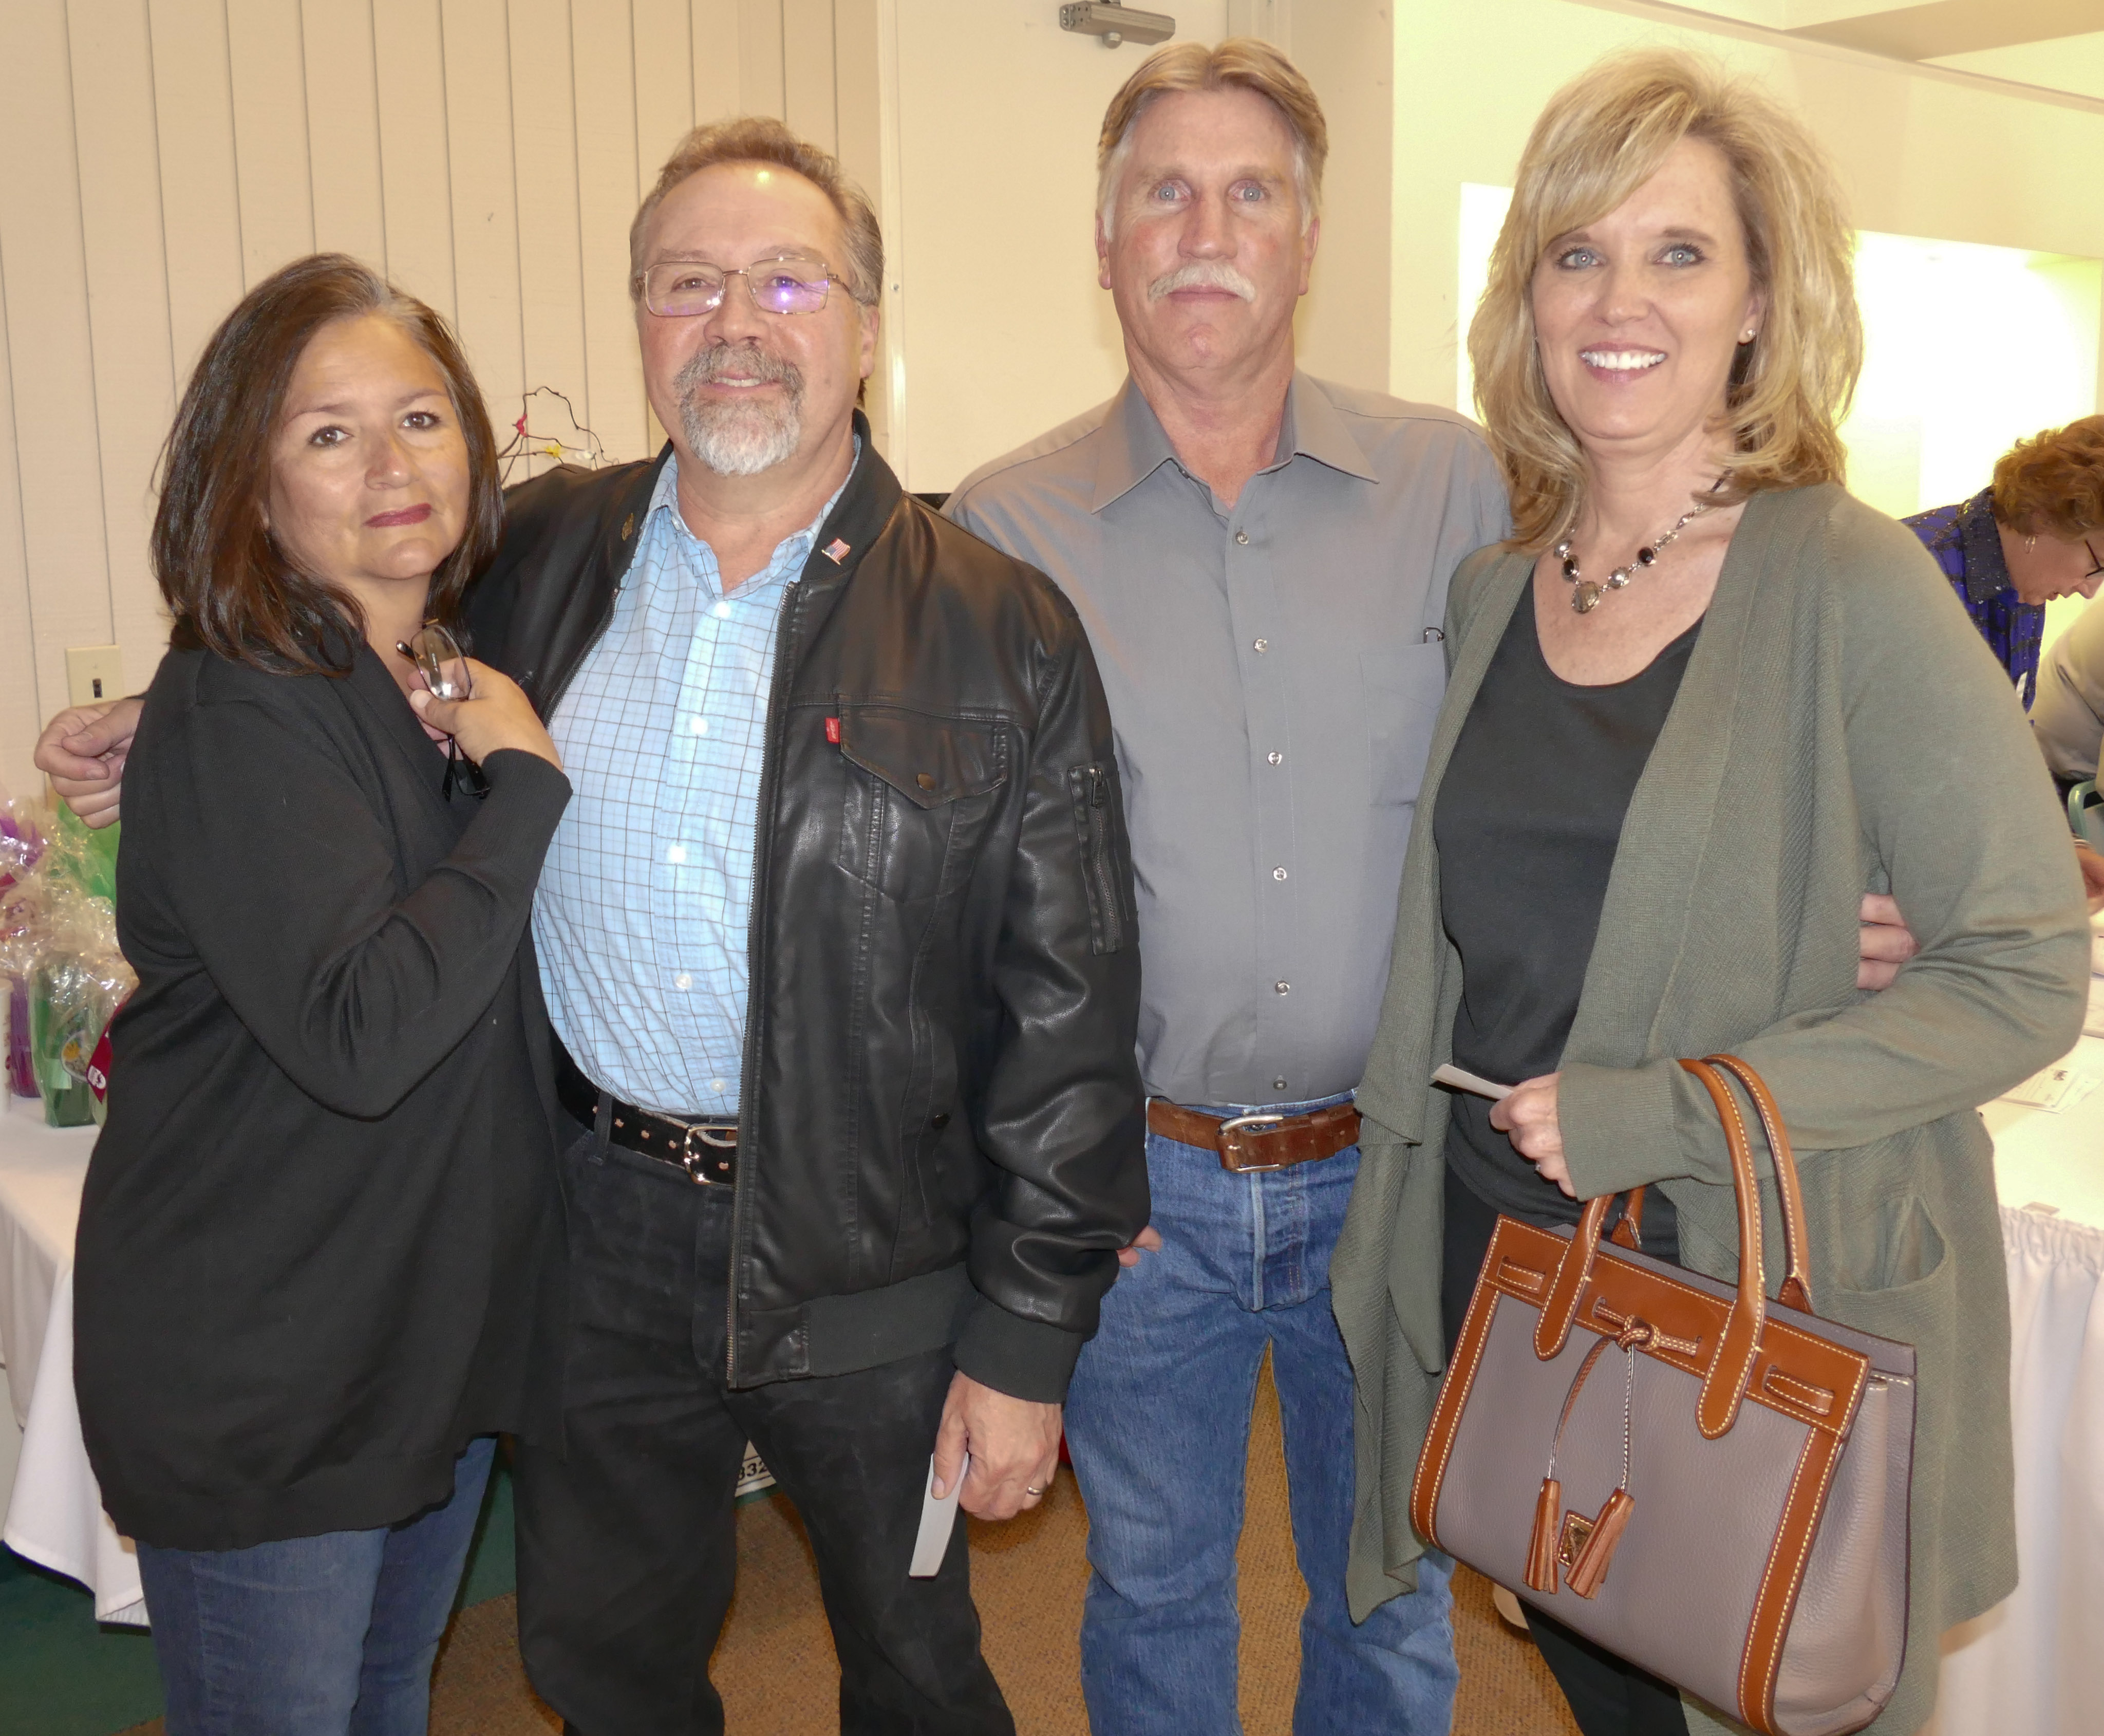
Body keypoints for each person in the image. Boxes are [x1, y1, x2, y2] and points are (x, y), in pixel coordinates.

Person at [43, 121, 1146, 1735]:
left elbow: (1071, 1011)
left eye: (787, 279)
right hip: (589, 1228)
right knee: (602, 1664)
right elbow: (342, 626)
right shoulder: (549, 552)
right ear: (642, 320)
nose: (737, 322)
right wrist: (176, 702)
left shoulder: (1000, 626)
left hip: (868, 1246)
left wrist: (1030, 1335)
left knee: (917, 1672)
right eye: (688, 284)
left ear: (863, 320)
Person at [1330, 50, 2087, 1736]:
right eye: (1574, 251)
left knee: (1748, 1677)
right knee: (1603, 1674)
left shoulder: (1844, 578)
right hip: (1511, 1264)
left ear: (1758, 299)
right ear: (1526, 295)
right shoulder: (1491, 590)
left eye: (1677, 253)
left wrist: (1668, 1106)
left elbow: (2023, 964)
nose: (1619, 297)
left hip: (1745, 1286)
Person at [73, 254, 573, 1735]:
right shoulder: (245, 700)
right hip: (270, 1371)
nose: (391, 466)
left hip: (408, 1340)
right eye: (328, 433)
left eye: (421, 417)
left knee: (380, 1710)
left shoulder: (423, 676)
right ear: (252, 481)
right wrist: (530, 793)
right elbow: (365, 1031)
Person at [1905, 415, 2104, 708]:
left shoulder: (2024, 582)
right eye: (2096, 565)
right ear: (2044, 518)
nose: (2090, 591)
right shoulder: (1916, 575)